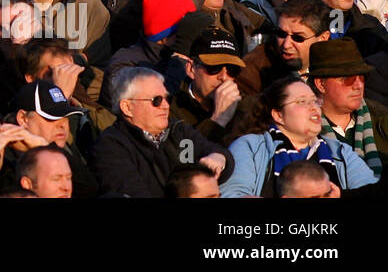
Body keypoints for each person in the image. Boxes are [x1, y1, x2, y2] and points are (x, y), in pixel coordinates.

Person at [89, 65, 233, 198]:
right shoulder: (110, 148)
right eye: (156, 100)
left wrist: (219, 158)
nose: (165, 106)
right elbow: (133, 193)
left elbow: (217, 153)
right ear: (127, 107)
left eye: (167, 98)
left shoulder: (179, 131)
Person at [221, 76, 375, 196]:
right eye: (302, 102)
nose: (313, 108)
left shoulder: (340, 152)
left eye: (315, 101)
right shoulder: (250, 146)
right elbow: (230, 194)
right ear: (278, 115)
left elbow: (370, 193)